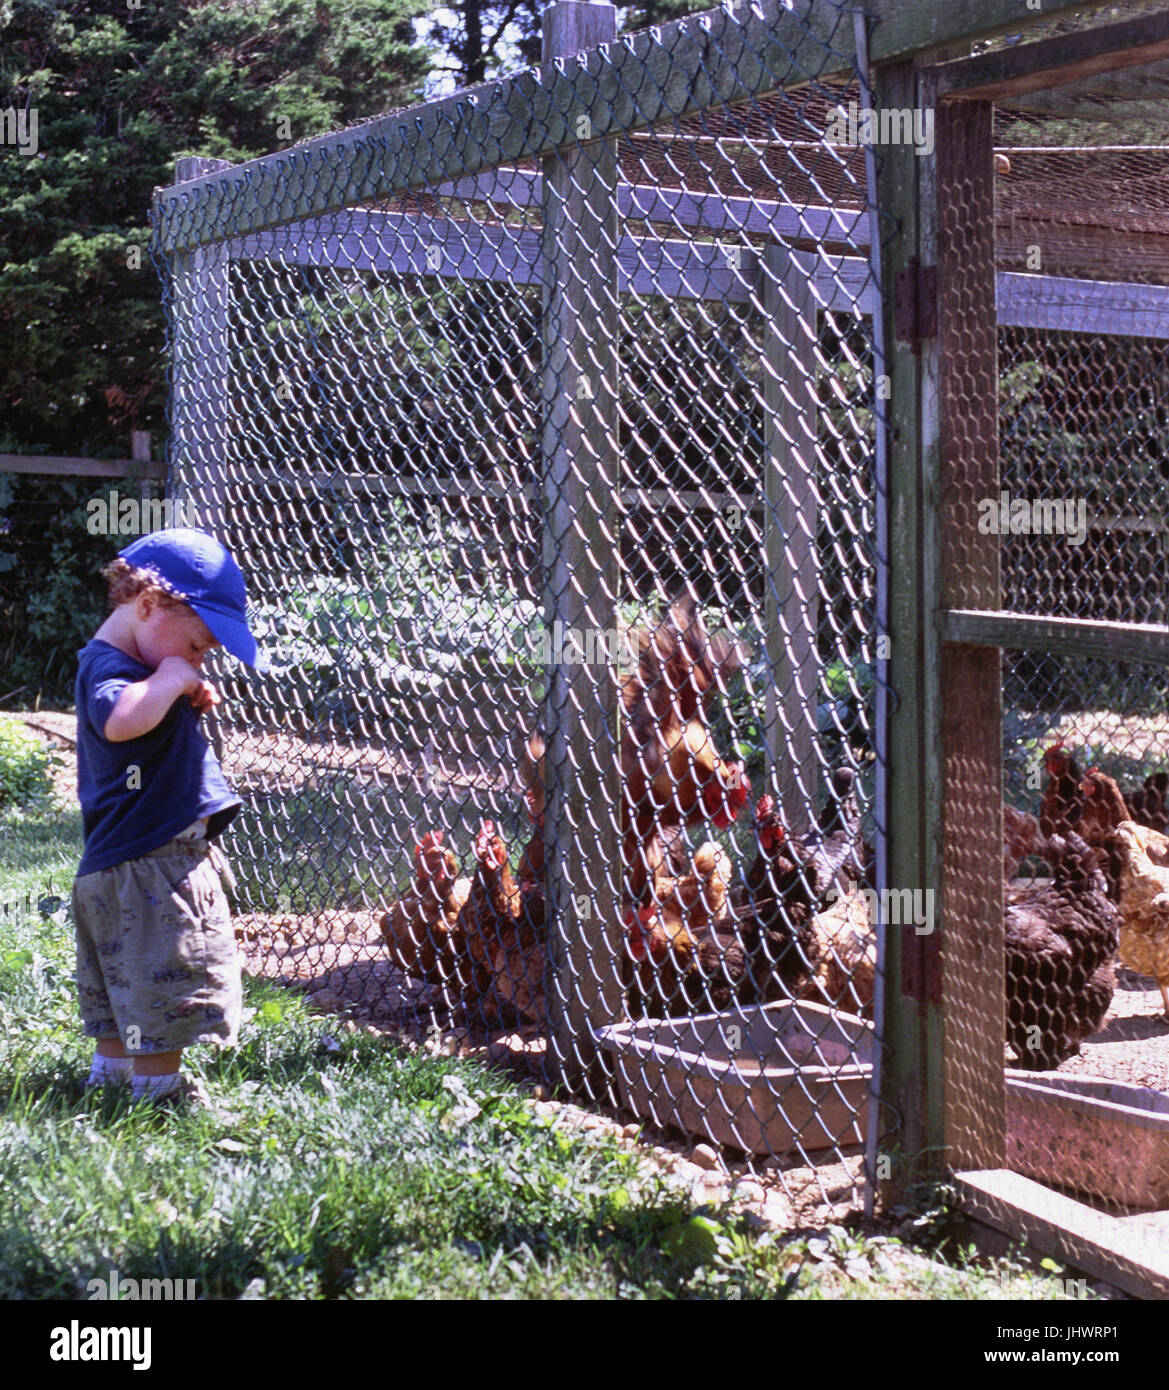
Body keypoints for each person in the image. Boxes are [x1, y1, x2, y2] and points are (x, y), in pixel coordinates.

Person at [70, 528, 266, 1106]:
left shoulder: (127, 665)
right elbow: (119, 721)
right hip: (152, 865)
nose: (200, 660)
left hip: (120, 865)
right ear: (149, 605)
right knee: (164, 982)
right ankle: (159, 1093)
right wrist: (169, 679)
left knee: (123, 983)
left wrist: (175, 687)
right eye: (199, 645)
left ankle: (109, 1078)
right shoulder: (112, 671)